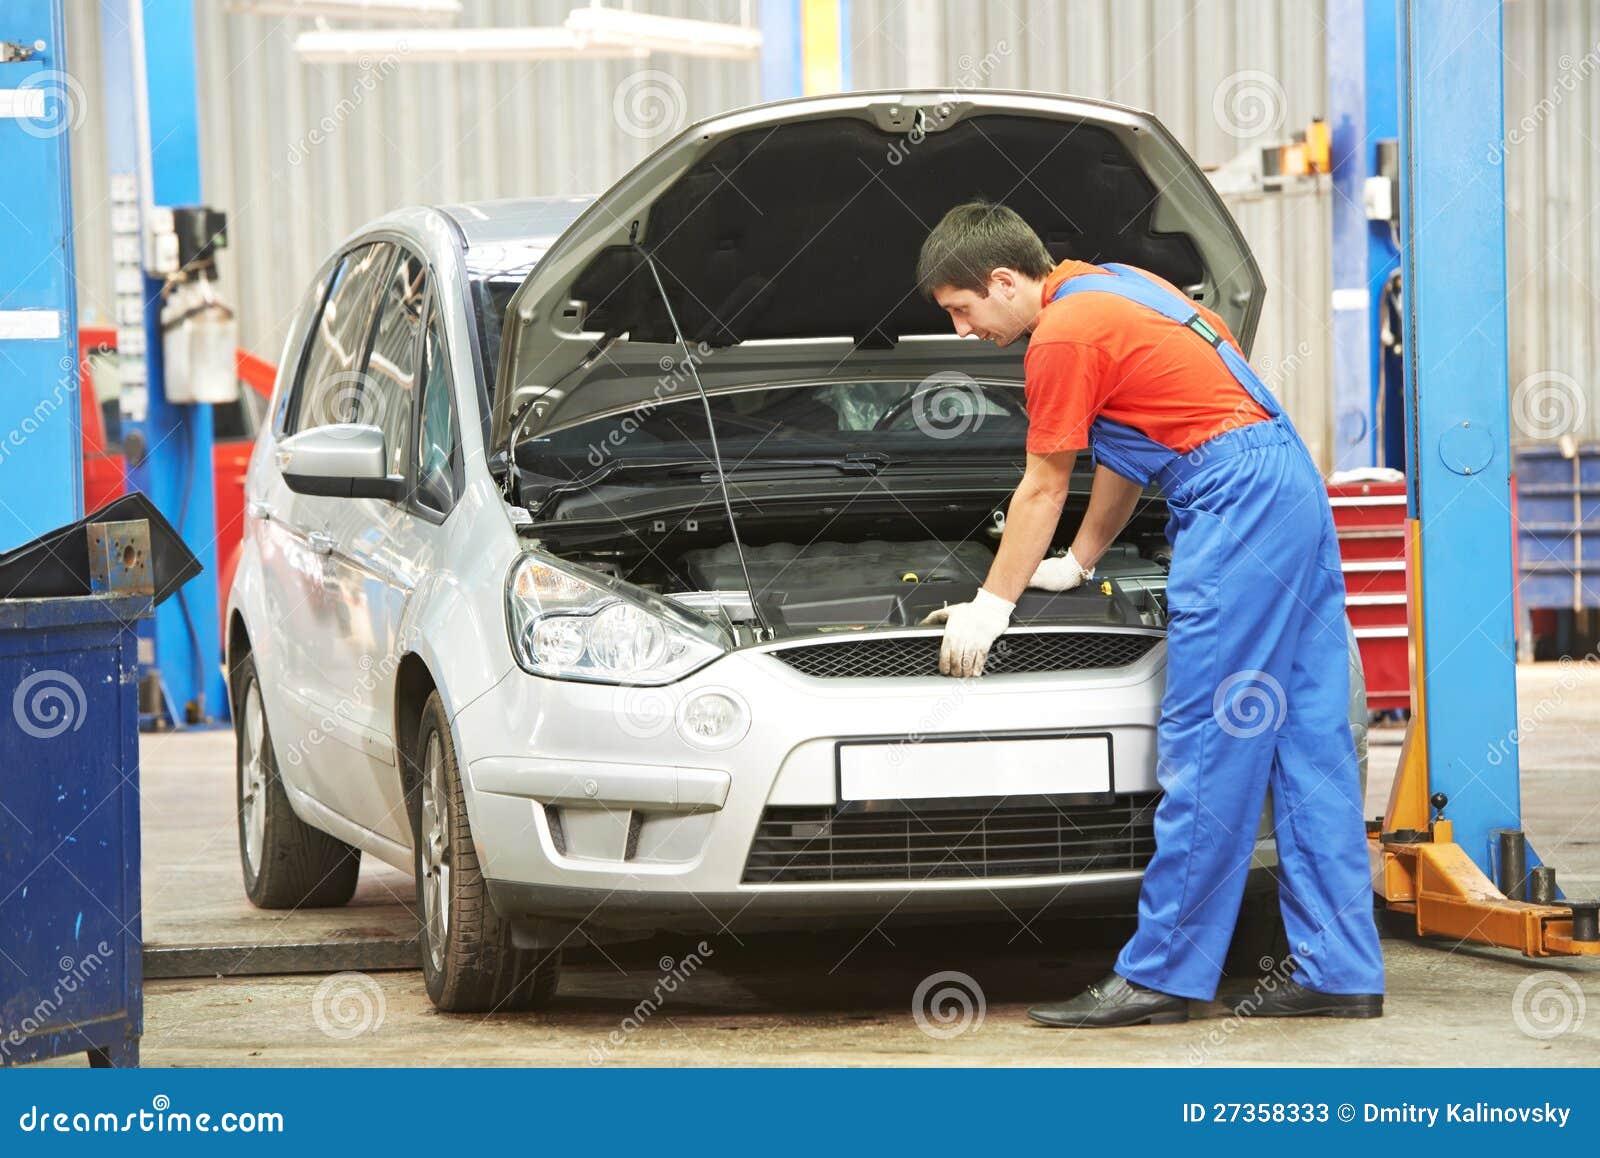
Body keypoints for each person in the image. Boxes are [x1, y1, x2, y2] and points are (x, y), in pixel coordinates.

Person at [915, 202, 1384, 1027]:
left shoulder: (1060, 335)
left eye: (961, 309)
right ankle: (1339, 967)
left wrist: (993, 605)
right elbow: (1127, 451)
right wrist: (1081, 561)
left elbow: (1044, 484)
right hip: (1285, 480)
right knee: (1308, 733)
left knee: (1211, 737)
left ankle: (1164, 974)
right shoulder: (1121, 287)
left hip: (1233, 499)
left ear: (1002, 281)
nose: (961, 331)